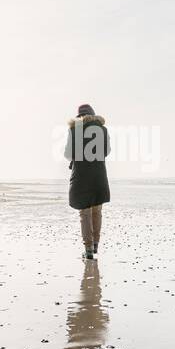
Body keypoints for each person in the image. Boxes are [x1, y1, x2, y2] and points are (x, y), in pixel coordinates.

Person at [64, 103, 110, 258]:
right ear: (93, 115)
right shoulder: (102, 130)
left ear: (79, 116)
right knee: (97, 211)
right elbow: (107, 151)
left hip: (81, 175)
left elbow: (68, 154)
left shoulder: (74, 129)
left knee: (85, 213)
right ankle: (95, 245)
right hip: (98, 174)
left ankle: (88, 250)